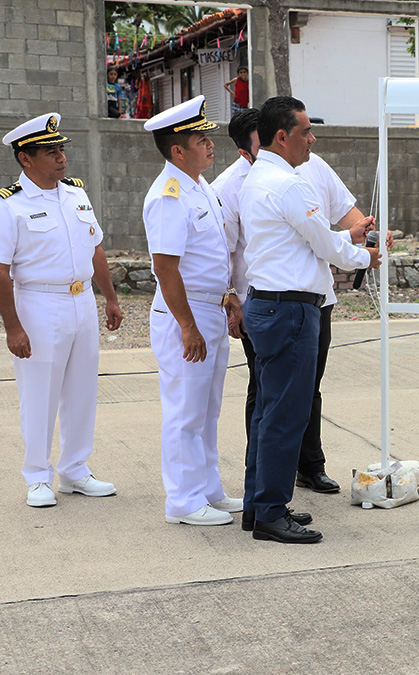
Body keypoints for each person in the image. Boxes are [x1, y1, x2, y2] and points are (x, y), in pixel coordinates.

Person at [215, 109, 385, 527]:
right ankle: (272, 512)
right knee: (285, 416)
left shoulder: (257, 178)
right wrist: (366, 255)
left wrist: (350, 237)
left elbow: (306, 239)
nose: (312, 140)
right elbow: (326, 248)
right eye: (305, 133)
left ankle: (259, 507)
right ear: (281, 136)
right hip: (290, 310)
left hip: (271, 305)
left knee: (268, 412)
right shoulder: (289, 184)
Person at [0, 112, 122, 507]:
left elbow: (95, 249)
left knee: (81, 390)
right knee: (39, 392)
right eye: (50, 151)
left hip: (81, 302)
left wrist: (108, 297)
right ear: (26, 158)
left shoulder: (76, 194)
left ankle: (75, 470)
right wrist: (13, 327)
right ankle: (37, 476)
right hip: (39, 303)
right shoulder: (8, 206)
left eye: (61, 149)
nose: (61, 158)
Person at [142, 95, 244, 526]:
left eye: (207, 137)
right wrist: (187, 325)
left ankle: (208, 489)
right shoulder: (168, 196)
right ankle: (183, 501)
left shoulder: (201, 187)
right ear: (177, 149)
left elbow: (213, 254)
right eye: (200, 139)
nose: (210, 144)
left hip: (211, 310)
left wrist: (229, 297)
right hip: (184, 314)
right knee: (185, 410)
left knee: (207, 409)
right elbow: (166, 267)